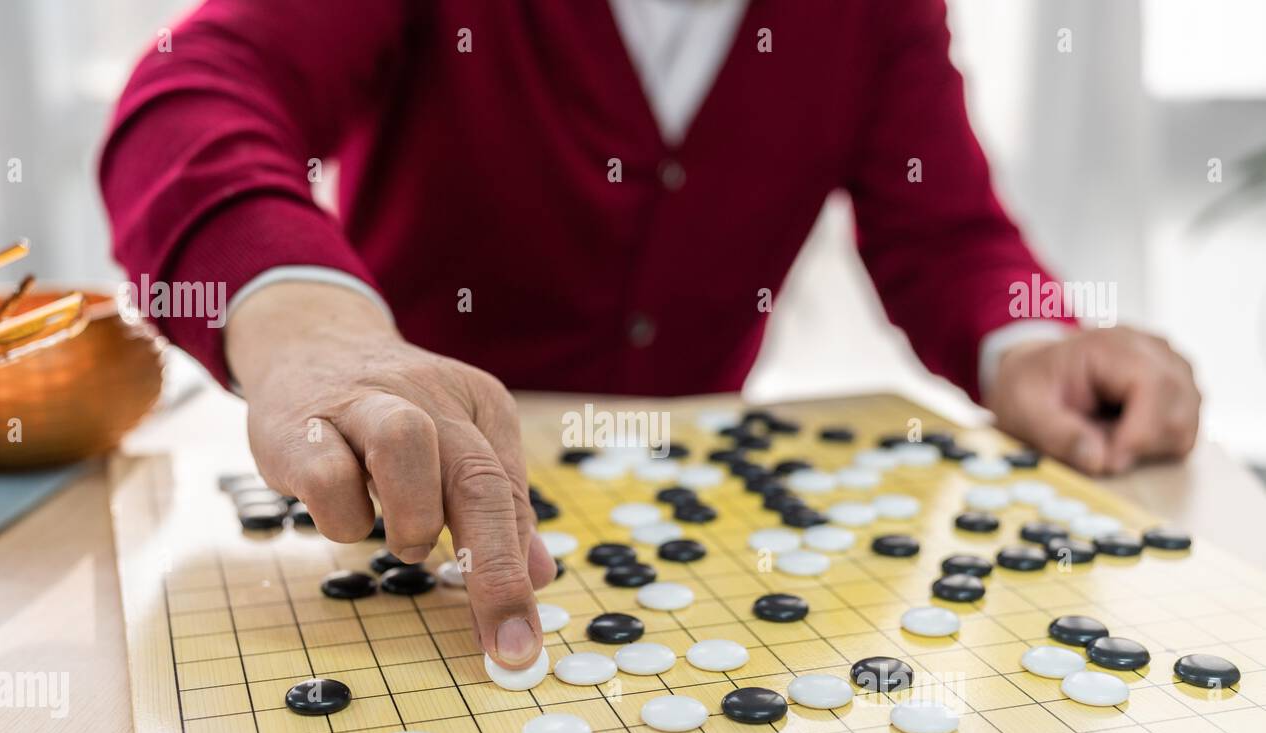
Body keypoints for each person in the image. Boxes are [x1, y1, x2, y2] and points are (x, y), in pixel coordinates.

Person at [99, 0, 1201, 671]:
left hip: (705, 524)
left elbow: (949, 236)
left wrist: (1031, 337)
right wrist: (310, 327)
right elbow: (192, 87)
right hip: (401, 520)